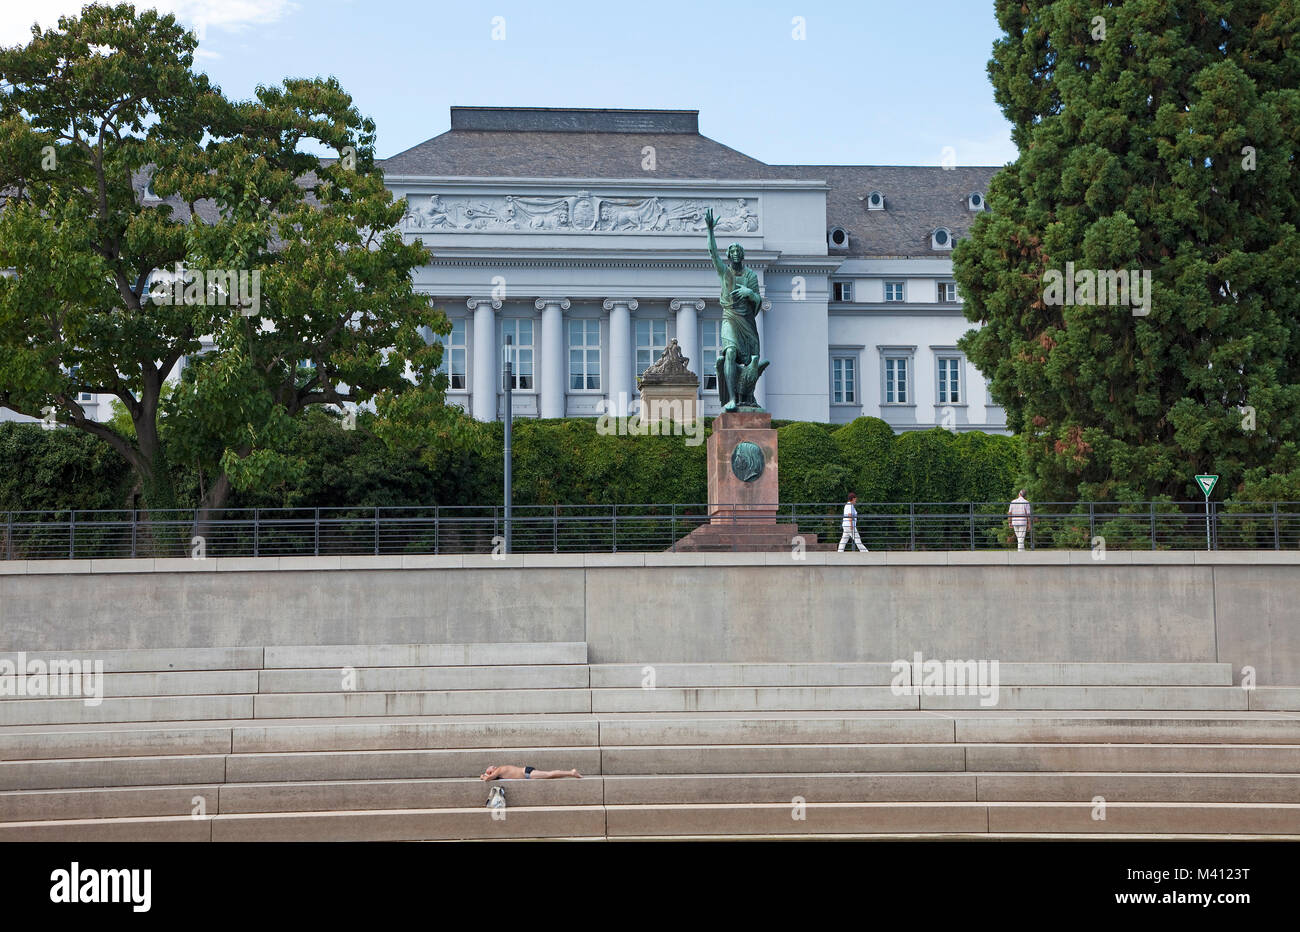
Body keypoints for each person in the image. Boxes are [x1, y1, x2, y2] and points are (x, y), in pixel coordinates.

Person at [480, 765, 581, 780]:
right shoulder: (500, 770)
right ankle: (571, 773)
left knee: (549, 774)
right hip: (527, 772)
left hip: (526, 773)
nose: (493, 767)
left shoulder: (499, 770)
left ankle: (572, 773)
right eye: (490, 768)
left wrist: (483, 777)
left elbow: (488, 779)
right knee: (549, 775)